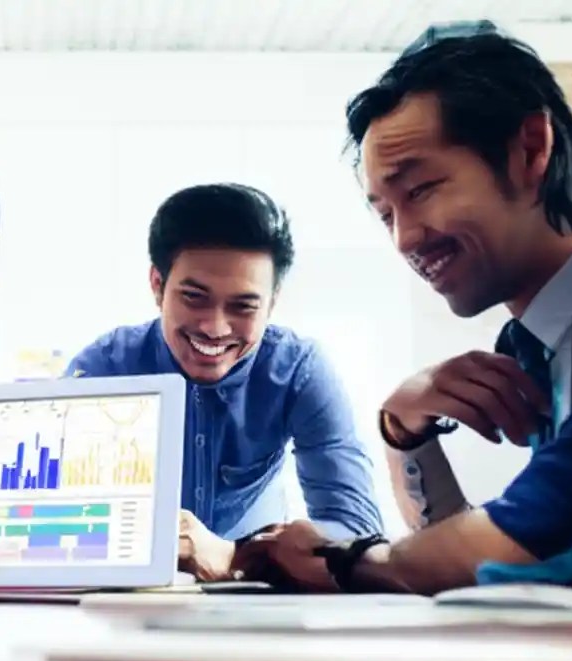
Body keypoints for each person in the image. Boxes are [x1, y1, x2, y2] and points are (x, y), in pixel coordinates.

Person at [250, 27, 572, 621]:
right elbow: (479, 572)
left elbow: (538, 543)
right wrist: (405, 431)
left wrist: (346, 559)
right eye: (385, 214)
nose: (404, 239)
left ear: (530, 150)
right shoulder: (539, 339)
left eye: (421, 189)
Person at [65, 183, 383, 581]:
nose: (215, 328)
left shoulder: (300, 371)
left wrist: (239, 555)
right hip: (130, 598)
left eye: (242, 306)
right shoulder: (103, 368)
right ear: (157, 286)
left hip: (256, 598)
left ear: (273, 301)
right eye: (194, 298)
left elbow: (358, 534)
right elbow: (61, 525)